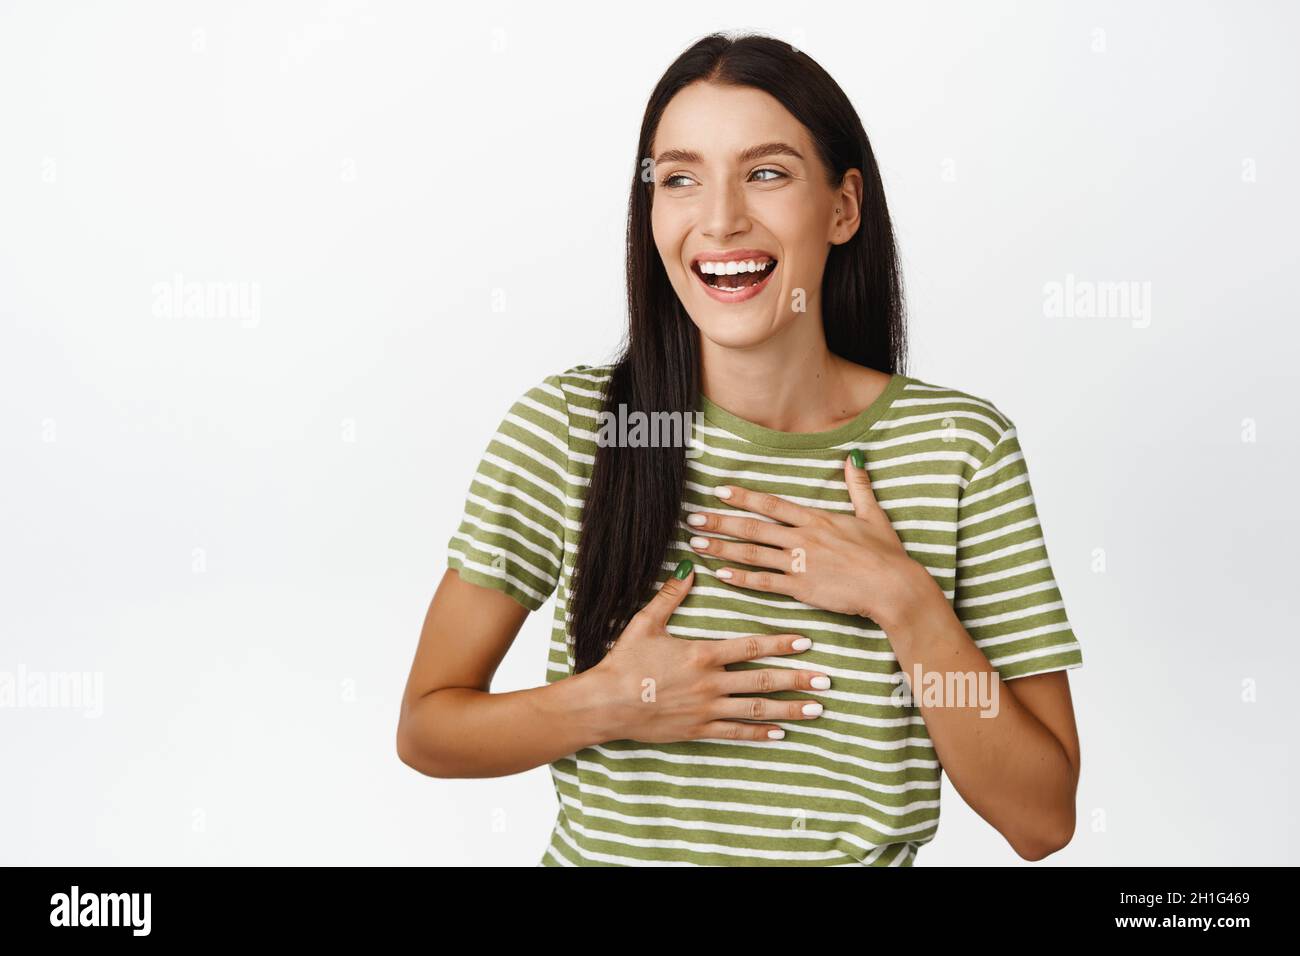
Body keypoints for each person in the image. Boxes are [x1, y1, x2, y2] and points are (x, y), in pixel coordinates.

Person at [398, 32, 1084, 866]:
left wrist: (904, 601)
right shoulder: (574, 429)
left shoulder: (957, 450)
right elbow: (429, 727)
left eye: (766, 172)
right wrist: (612, 704)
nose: (719, 219)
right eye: (680, 178)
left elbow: (1041, 819)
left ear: (842, 207)